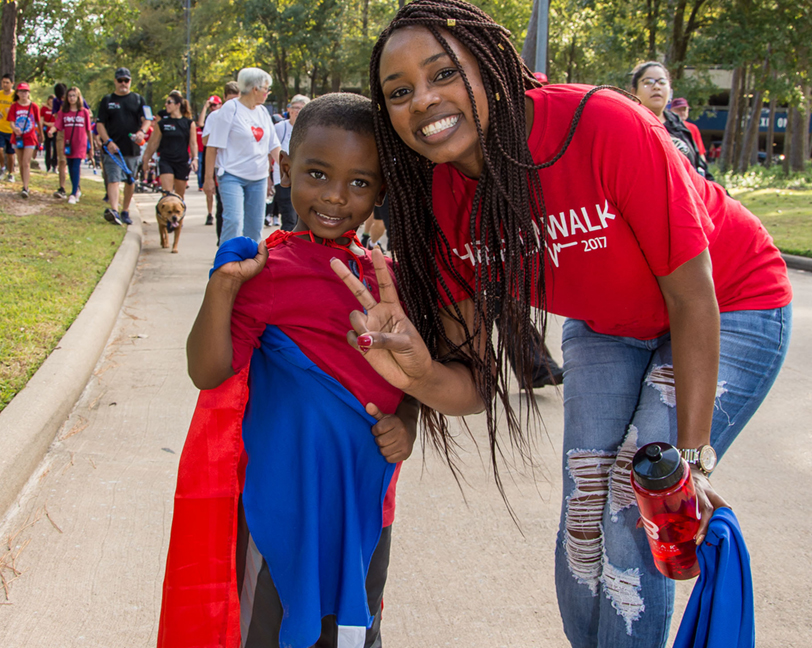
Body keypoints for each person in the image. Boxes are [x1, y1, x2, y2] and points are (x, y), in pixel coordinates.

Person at [329, 2, 793, 647]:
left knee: (634, 508)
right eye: (400, 91)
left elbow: (692, 297)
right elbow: (472, 387)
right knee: (584, 516)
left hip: (732, 301)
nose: (424, 100)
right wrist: (418, 374)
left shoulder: (599, 124)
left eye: (443, 73)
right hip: (608, 325)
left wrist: (691, 462)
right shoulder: (442, 203)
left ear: (488, 67)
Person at [164, 93, 416, 648]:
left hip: (365, 501)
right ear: (284, 168)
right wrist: (223, 286)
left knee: (357, 629)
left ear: (381, 191)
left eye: (359, 182)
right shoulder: (267, 269)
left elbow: (415, 374)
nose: (334, 196)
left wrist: (410, 422)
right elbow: (208, 372)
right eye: (317, 174)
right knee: (271, 631)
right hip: (279, 506)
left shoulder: (389, 279)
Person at [203, 68, 280, 243]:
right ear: (255, 89)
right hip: (231, 175)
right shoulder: (231, 108)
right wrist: (208, 179)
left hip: (258, 177)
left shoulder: (262, 112)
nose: (267, 93)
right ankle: (227, 259)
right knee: (234, 221)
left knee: (255, 227)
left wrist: (290, 170)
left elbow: (274, 146)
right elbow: (212, 146)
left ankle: (250, 260)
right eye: (266, 89)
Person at [630, 62, 712, 180]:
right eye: (648, 82)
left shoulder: (678, 125)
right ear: (634, 92)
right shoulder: (628, 126)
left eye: (662, 82)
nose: (656, 87)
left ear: (670, 91)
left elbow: (701, 168)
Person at [95, 67, 152, 226]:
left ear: (130, 81)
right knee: (113, 179)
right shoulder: (107, 100)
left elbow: (147, 120)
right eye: (120, 80)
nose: (123, 83)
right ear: (115, 81)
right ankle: (114, 210)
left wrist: (142, 132)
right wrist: (108, 141)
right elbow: (100, 124)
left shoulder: (138, 99)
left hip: (132, 149)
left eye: (126, 80)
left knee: (130, 180)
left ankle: (125, 210)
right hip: (113, 150)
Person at [141, 90, 197, 199]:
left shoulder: (189, 123)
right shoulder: (162, 123)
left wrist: (195, 158)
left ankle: (178, 210)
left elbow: (193, 143)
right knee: (167, 194)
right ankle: (165, 209)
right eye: (166, 102)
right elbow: (153, 142)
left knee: (179, 196)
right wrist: (146, 158)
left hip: (182, 161)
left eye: (169, 102)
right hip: (166, 160)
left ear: (178, 105)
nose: (166, 105)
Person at [202, 81, 240, 238]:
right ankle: (222, 243)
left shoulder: (244, 115)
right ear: (224, 97)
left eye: (236, 99)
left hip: (243, 168)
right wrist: (221, 131)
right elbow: (206, 141)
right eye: (229, 100)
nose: (232, 104)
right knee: (224, 209)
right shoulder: (216, 116)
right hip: (223, 168)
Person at [272, 94, 309, 232]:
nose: (298, 111)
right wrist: (268, 177)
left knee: (303, 220)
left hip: (303, 180)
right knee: (289, 219)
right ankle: (286, 244)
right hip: (284, 179)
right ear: (289, 110)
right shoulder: (280, 128)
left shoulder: (311, 130)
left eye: (302, 108)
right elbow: (270, 151)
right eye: (295, 108)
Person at [49, 86, 92, 204]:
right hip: (68, 144)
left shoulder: (84, 112)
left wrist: (91, 148)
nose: (72, 98)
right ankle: (76, 189)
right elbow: (57, 124)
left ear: (78, 97)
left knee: (75, 167)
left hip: (80, 143)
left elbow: (89, 130)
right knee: (70, 167)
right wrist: (51, 131)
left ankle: (73, 194)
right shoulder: (63, 112)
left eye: (74, 96)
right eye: (69, 96)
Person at [6, 82, 43, 199]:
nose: (23, 94)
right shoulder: (14, 106)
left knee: (26, 162)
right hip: (17, 138)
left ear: (29, 93)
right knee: (21, 162)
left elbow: (38, 121)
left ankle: (26, 187)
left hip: (30, 137)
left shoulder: (34, 106)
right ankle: (24, 184)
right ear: (17, 93)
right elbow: (11, 122)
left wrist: (41, 135)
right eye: (21, 91)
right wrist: (15, 129)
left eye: (26, 91)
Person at [196, 94, 221, 223]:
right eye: (211, 105)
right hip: (208, 155)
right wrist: (205, 108)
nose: (213, 108)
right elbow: (200, 124)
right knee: (209, 188)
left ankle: (219, 211)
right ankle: (210, 213)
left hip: (220, 159)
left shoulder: (225, 117)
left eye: (215, 105)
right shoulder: (210, 119)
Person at [0, 73, 16, 182]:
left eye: (7, 82)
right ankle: (2, 168)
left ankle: (11, 173)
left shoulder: (16, 96)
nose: (5, 84)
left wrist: (10, 112)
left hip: (11, 129)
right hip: (0, 128)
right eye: (3, 82)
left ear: (12, 83)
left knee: (10, 154)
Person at [669, 97, 707, 162]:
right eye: (679, 110)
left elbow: (700, 152)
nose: (682, 112)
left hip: (689, 163)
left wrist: (703, 166)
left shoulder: (693, 128)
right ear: (671, 110)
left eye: (684, 110)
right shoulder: (665, 125)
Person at [40, 95, 57, 175]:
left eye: (53, 102)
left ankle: (55, 165)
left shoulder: (57, 109)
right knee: (48, 148)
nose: (51, 103)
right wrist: (47, 124)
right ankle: (48, 166)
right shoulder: (44, 109)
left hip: (55, 130)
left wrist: (54, 125)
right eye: (50, 101)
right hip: (46, 130)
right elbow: (41, 120)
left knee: (56, 148)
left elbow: (59, 119)